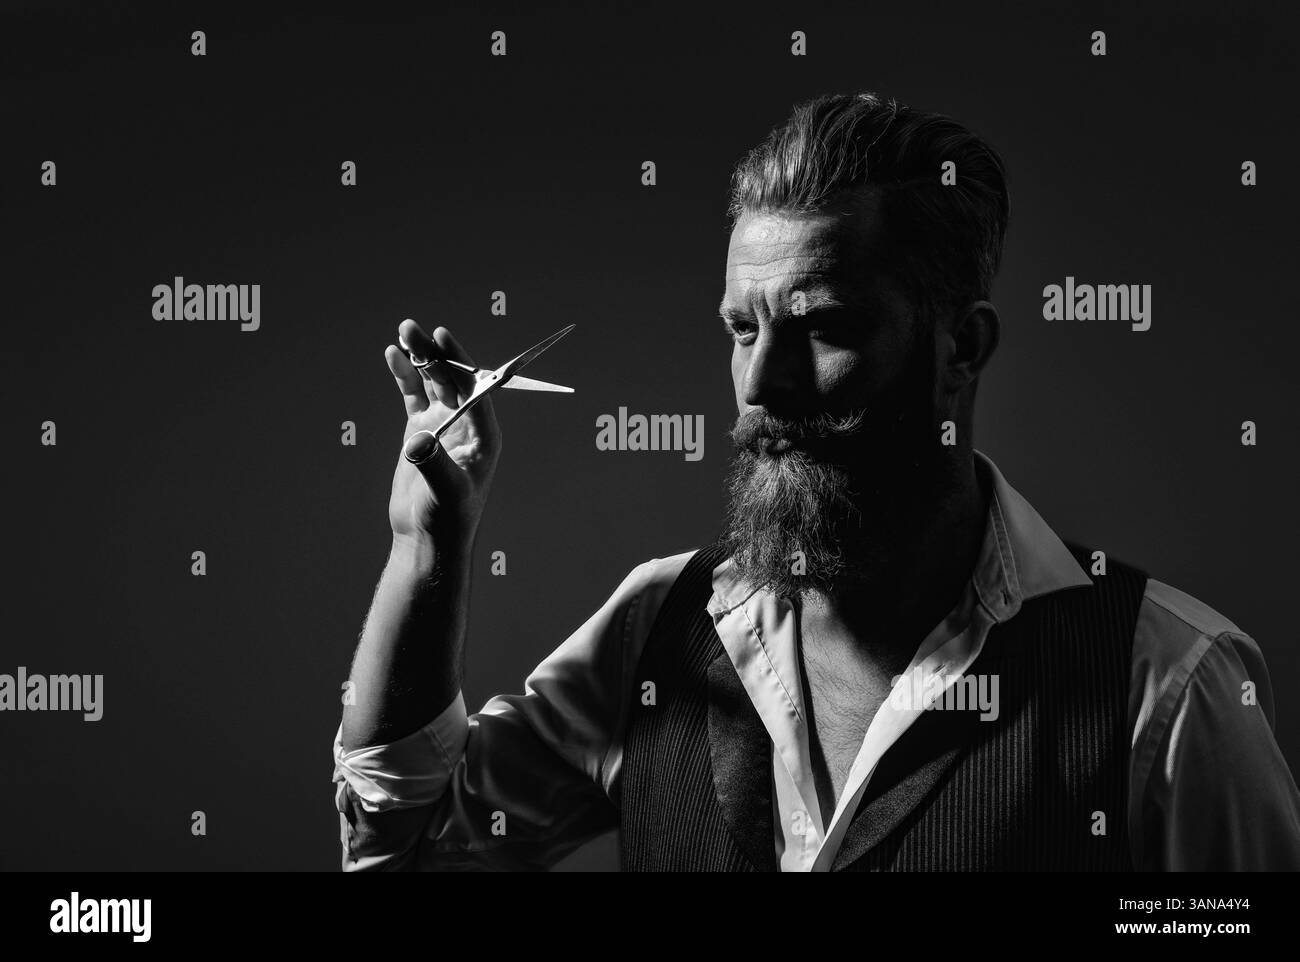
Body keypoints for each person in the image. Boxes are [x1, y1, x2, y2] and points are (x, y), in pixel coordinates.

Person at [332, 92, 1300, 871]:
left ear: (958, 350)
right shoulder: (659, 632)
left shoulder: (1167, 690)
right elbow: (410, 849)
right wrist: (427, 550)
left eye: (822, 328)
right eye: (741, 331)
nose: (760, 384)